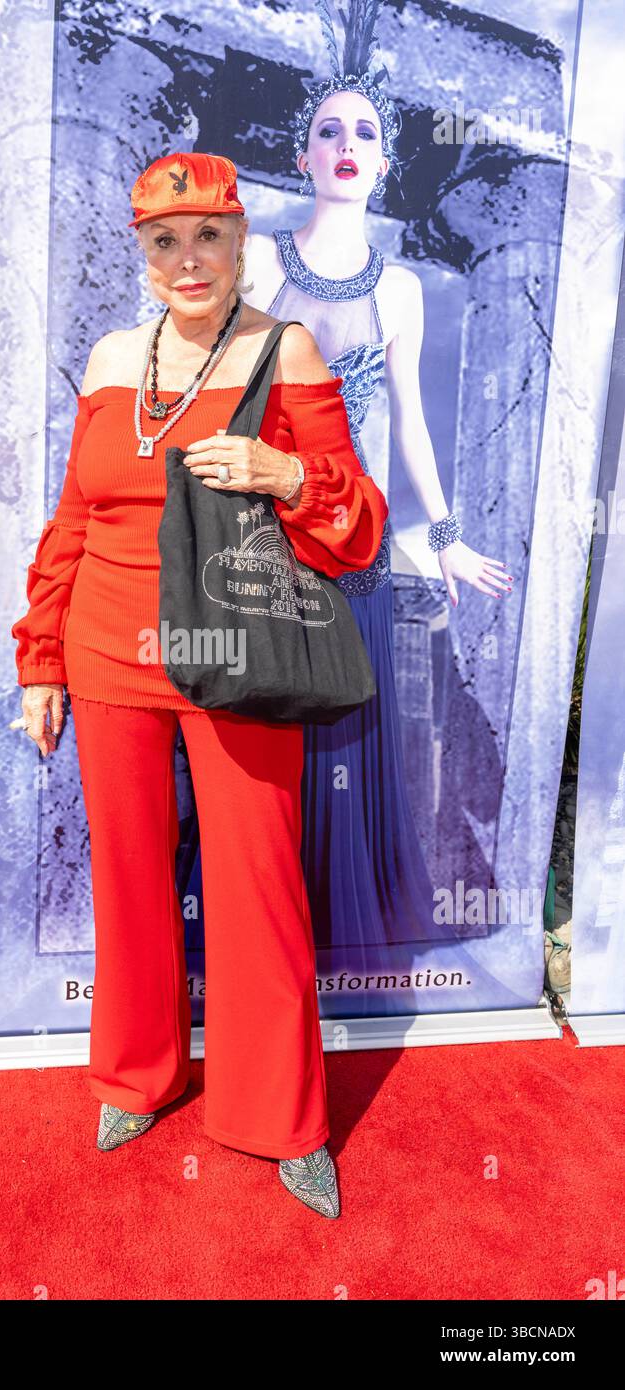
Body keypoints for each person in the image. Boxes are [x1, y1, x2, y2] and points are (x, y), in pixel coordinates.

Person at [11, 151, 388, 1218]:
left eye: (207, 237)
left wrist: (283, 474)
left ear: (239, 244)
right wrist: (41, 657)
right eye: (164, 241)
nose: (188, 259)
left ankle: (280, 1116)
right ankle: (137, 1075)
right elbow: (74, 519)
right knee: (128, 874)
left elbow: (355, 525)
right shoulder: (108, 356)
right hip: (104, 651)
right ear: (142, 251)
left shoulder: (287, 346)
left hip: (235, 649)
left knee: (255, 883)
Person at [235, 3, 515, 965]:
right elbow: (225, 396)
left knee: (346, 748)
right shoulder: (261, 262)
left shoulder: (400, 290)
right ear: (301, 153)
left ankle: (333, 926)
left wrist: (444, 539)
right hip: (260, 537)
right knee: (265, 745)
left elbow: (413, 431)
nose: (347, 145)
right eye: (329, 130)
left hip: (354, 542)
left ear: (384, 162)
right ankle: (258, 932)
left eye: (366, 133)